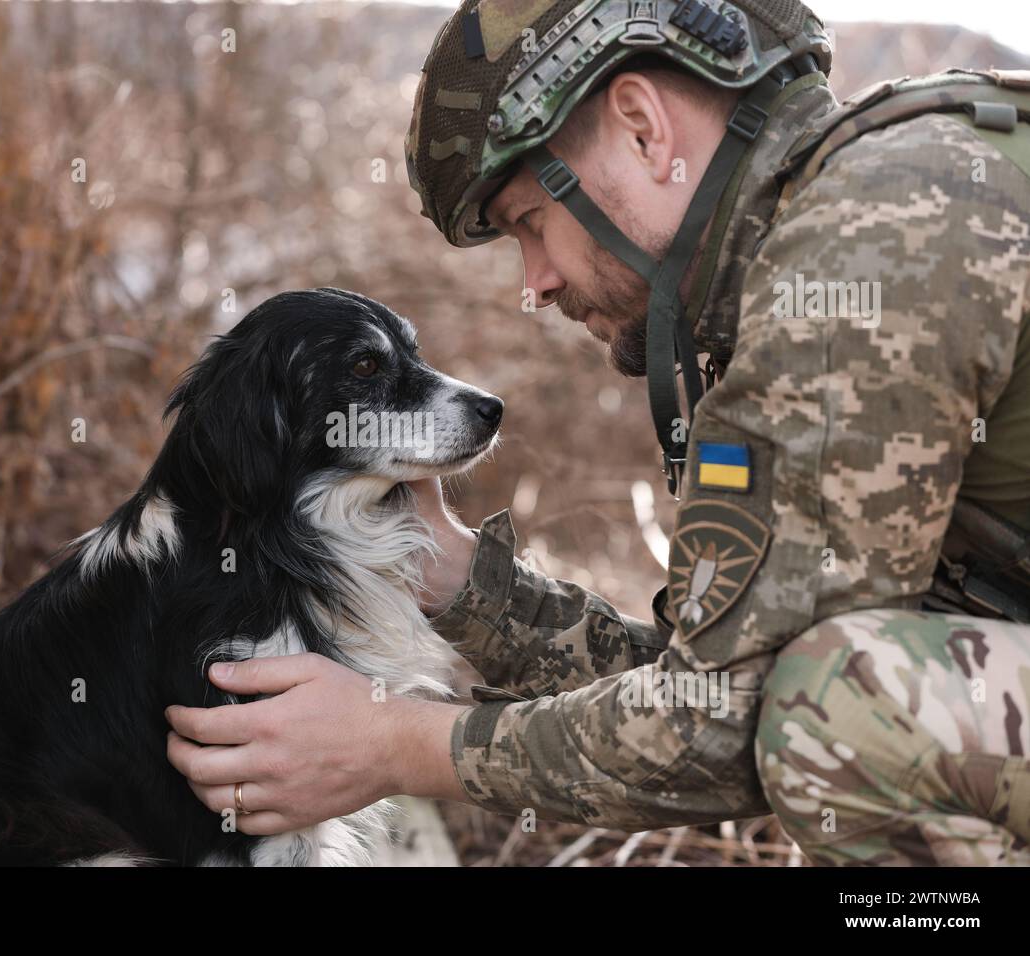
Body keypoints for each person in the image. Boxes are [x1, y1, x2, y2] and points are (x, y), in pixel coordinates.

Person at [165, 0, 1030, 865]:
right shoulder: (829, 243)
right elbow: (718, 680)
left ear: (644, 129)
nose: (534, 284)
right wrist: (464, 582)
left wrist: (393, 745)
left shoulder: (869, 244)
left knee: (838, 709)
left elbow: (721, 726)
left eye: (529, 224)